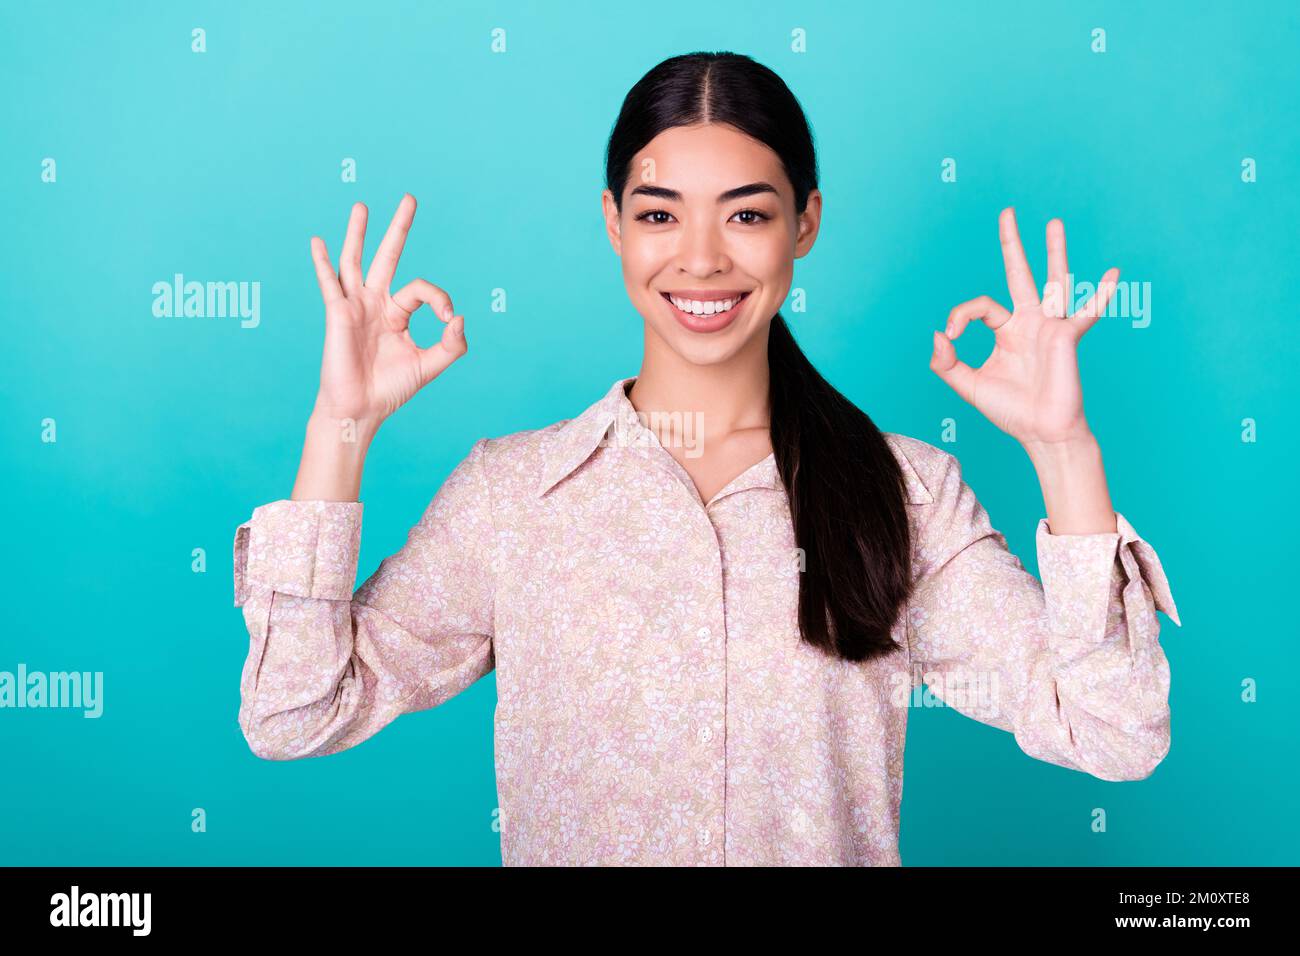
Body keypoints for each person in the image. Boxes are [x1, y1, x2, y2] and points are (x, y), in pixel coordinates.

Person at [232, 51, 1181, 866]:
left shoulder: (905, 495)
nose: (700, 259)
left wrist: (1065, 451)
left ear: (805, 223)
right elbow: (298, 712)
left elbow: (1114, 731)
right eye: (658, 215)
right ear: (612, 223)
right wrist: (338, 430)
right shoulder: (513, 496)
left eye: (746, 215)